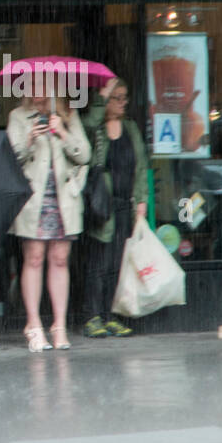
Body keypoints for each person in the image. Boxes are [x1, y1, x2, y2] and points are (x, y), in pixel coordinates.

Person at [6, 82, 91, 351]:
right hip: (34, 199)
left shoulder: (68, 112)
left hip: (63, 199)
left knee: (60, 258)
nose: (36, 90)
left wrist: (63, 132)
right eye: (31, 84)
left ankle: (59, 325)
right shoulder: (18, 116)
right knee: (34, 258)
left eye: (42, 84)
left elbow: (85, 155)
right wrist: (29, 139)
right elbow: (10, 158)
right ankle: (33, 324)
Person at [82, 77, 148, 337]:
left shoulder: (130, 128)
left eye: (125, 97)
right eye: (117, 98)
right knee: (97, 262)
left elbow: (141, 166)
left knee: (118, 264)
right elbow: (87, 124)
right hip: (102, 205)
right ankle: (92, 316)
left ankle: (111, 315)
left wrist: (141, 200)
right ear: (105, 101)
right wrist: (101, 99)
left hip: (125, 205)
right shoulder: (95, 129)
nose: (123, 103)